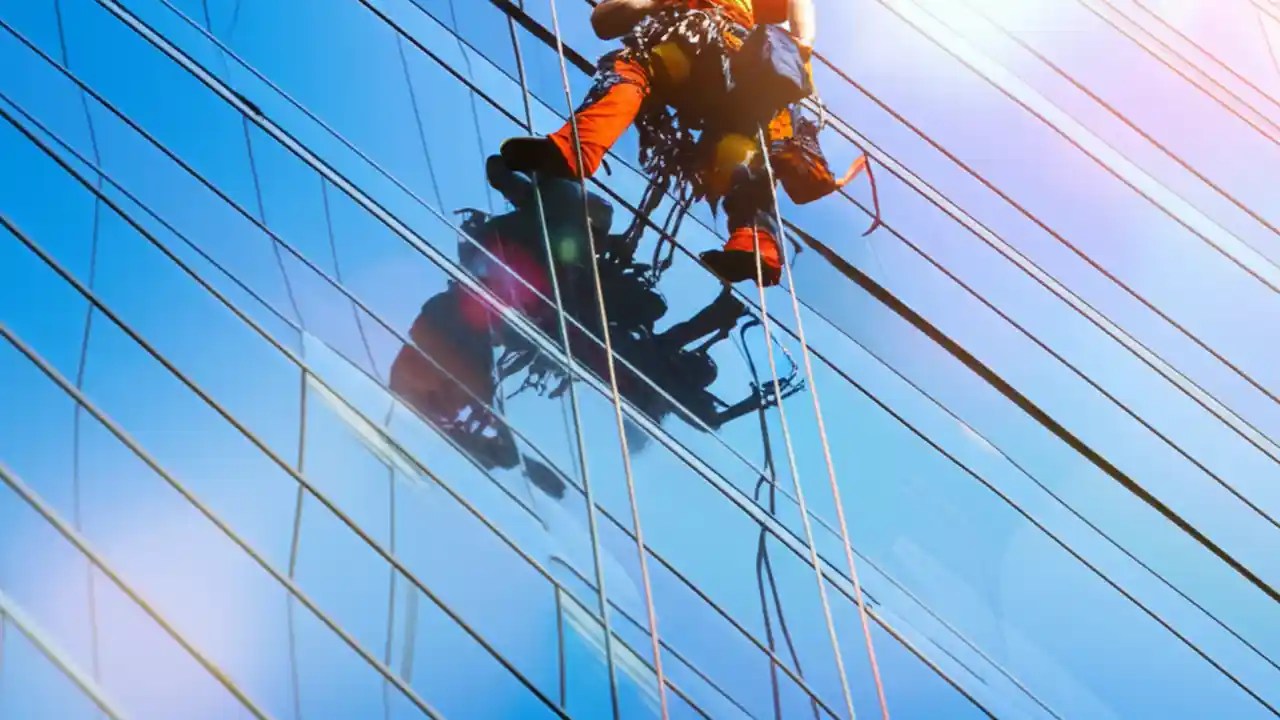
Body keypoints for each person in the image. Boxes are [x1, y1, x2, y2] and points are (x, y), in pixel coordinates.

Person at [499, 0, 839, 287]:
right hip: (740, 67)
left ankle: (579, 147)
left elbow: (604, 20)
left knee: (632, 70)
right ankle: (756, 239)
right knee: (736, 144)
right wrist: (801, 39)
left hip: (693, 48)